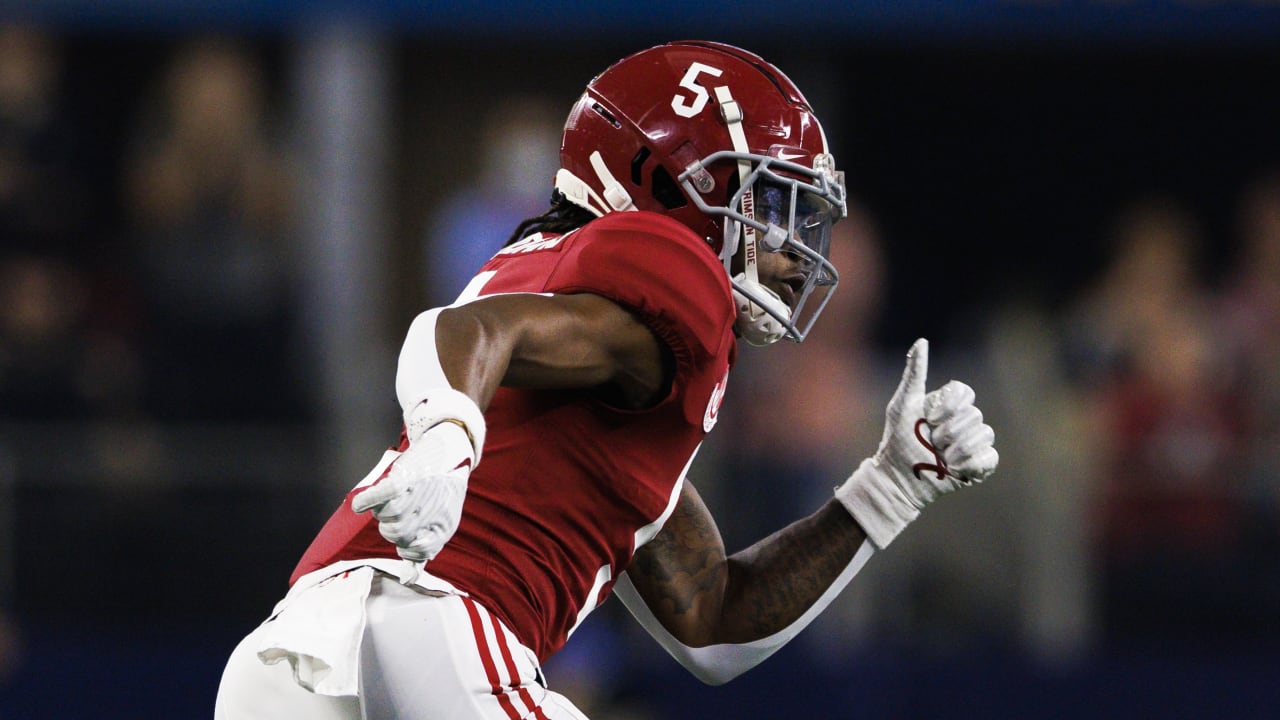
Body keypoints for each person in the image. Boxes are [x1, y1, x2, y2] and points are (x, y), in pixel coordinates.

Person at [214, 40, 999, 720]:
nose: (793, 249)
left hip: (292, 657)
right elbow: (459, 333)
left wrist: (890, 488)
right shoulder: (675, 276)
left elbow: (709, 618)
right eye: (767, 203)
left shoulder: (598, 351)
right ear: (669, 184)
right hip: (427, 624)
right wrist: (446, 440)